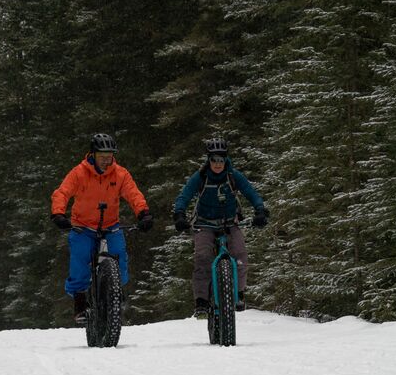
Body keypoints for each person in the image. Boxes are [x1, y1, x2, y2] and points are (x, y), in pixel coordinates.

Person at [51, 133, 153, 324]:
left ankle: (115, 293)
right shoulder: (79, 173)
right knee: (80, 258)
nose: (107, 159)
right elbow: (62, 193)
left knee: (119, 256)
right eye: (102, 155)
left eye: (110, 155)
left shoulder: (120, 174)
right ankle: (80, 303)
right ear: (93, 154)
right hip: (83, 226)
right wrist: (58, 213)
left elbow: (134, 194)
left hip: (110, 225)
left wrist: (143, 213)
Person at [172, 138, 268, 318]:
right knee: (202, 257)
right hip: (204, 223)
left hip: (230, 222)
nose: (217, 164)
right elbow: (184, 196)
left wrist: (260, 210)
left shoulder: (233, 175)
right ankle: (201, 301)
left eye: (221, 160)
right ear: (209, 160)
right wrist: (179, 214)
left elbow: (251, 192)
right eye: (214, 160)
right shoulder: (200, 177)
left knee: (240, 254)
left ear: (226, 160)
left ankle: (238, 294)